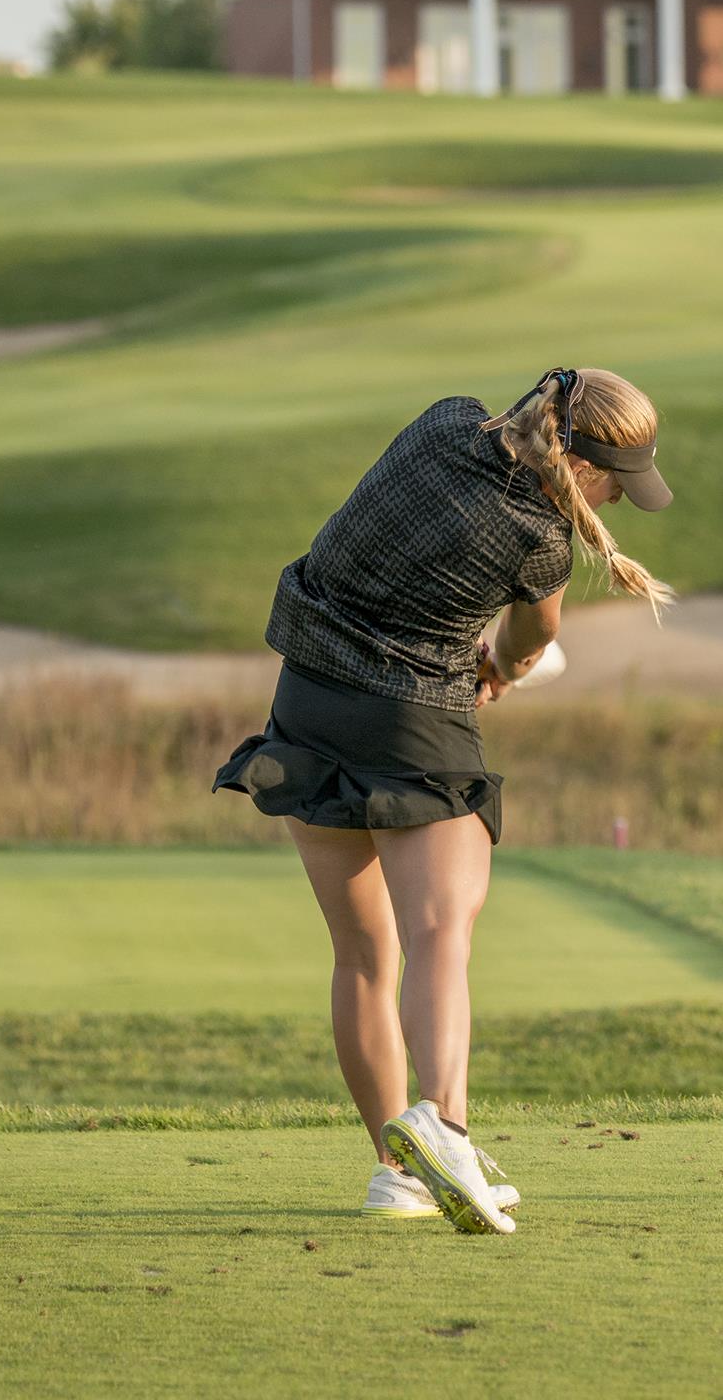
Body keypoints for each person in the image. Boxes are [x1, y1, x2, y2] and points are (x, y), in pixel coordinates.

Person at [212, 369, 675, 1234]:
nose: (616, 501)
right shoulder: (540, 540)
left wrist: (480, 655)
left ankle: (398, 1177)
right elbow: (535, 635)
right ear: (580, 466)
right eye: (616, 483)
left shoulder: (445, 421)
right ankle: (445, 1124)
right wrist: (497, 670)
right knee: (440, 930)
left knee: (361, 955)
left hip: (305, 699)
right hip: (412, 721)